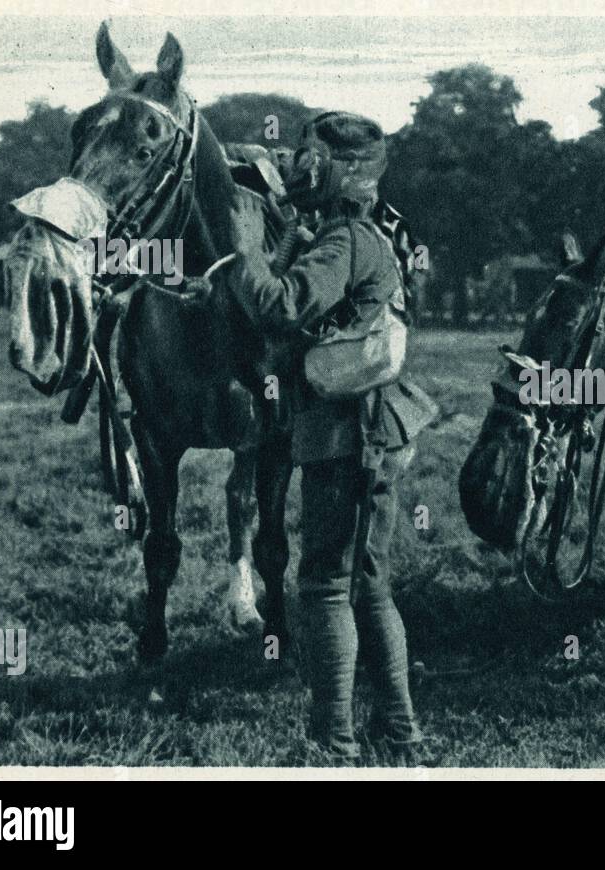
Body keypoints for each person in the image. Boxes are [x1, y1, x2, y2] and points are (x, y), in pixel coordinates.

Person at [222, 112, 438, 760]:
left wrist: (245, 246)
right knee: (368, 583)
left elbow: (281, 304)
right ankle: (400, 732)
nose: (296, 167)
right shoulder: (364, 236)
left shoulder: (345, 240)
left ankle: (333, 740)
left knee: (322, 584)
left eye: (309, 157)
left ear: (339, 170)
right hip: (376, 429)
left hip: (345, 431)